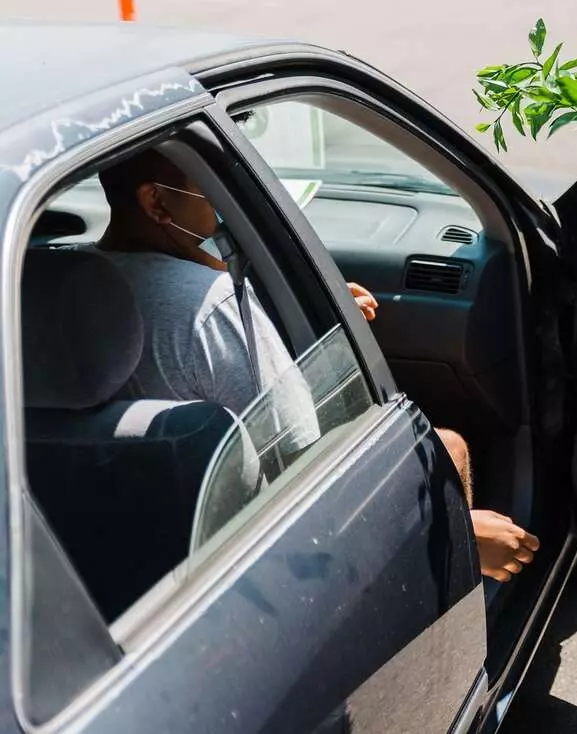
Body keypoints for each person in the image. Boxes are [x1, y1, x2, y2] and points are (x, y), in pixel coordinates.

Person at [94, 148, 537, 583]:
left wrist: (303, 304)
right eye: (205, 184)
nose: (218, 197)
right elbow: (303, 457)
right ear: (156, 200)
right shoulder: (209, 305)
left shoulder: (72, 285)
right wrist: (456, 528)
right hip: (252, 550)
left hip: (118, 535)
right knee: (447, 446)